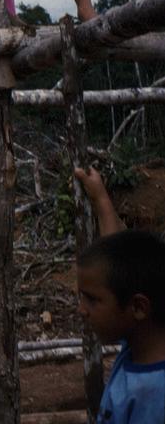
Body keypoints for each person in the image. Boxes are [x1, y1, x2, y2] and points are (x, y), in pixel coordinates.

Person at [75, 167, 165, 423]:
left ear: (138, 307)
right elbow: (118, 264)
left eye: (92, 299)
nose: (82, 309)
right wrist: (101, 199)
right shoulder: (140, 342)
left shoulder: (153, 394)